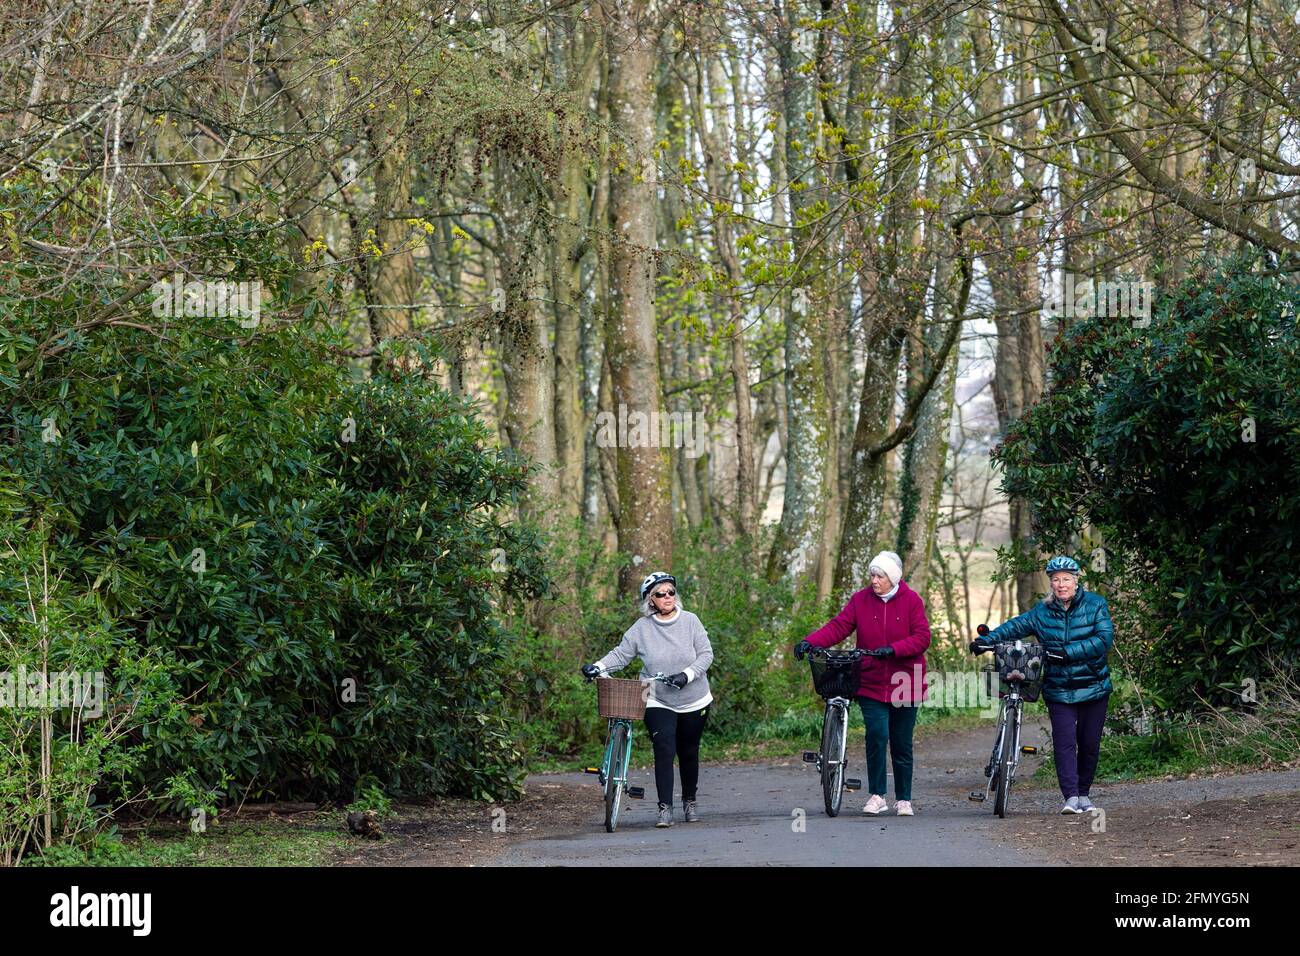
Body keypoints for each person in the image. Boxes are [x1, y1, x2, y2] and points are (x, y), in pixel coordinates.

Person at [970, 555, 1114, 814]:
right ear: (1051, 583)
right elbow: (1015, 626)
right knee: (1065, 742)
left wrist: (1068, 652)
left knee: (1089, 744)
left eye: (1066, 580)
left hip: (1094, 686)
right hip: (1059, 688)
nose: (1061, 585)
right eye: (1056, 580)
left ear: (1076, 580)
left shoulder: (1095, 605)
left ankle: (1084, 794)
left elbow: (1103, 639)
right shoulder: (1042, 610)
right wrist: (986, 640)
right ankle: (1070, 798)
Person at [794, 551, 932, 816]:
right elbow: (838, 627)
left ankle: (904, 798)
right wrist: (810, 641)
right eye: (872, 575)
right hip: (870, 680)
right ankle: (877, 794)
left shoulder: (912, 601)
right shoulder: (860, 600)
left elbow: (922, 637)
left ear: (892, 578)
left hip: (905, 682)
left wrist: (893, 649)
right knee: (877, 735)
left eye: (880, 575)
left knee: (902, 743)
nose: (874, 580)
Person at [581, 572, 714, 828]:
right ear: (650, 600)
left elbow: (706, 655)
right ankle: (665, 808)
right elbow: (621, 655)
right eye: (661, 594)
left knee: (688, 752)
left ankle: (690, 801)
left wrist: (686, 675)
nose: (667, 597)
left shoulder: (690, 621)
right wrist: (597, 666)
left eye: (671, 592)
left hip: (694, 698)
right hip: (655, 696)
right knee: (664, 749)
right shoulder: (642, 628)